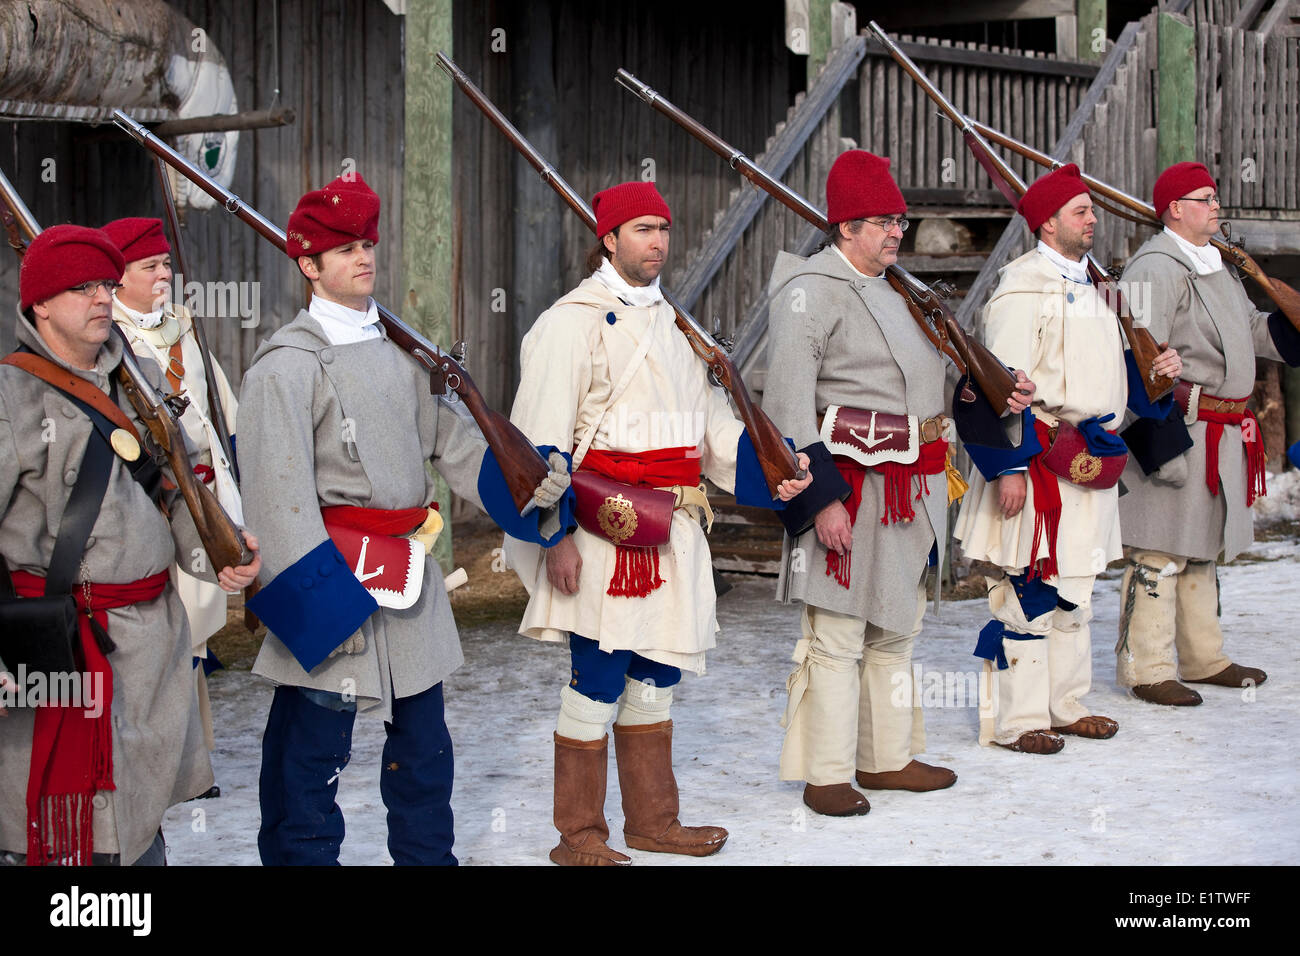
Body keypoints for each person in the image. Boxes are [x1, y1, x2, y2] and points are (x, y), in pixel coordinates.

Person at [240, 174, 571, 866]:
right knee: (308, 766)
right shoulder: (285, 366)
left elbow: (454, 445)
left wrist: (532, 484)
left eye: (367, 243)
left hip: (408, 583)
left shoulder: (401, 354)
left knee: (424, 759)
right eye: (344, 248)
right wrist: (320, 614)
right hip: (331, 582)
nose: (364, 257)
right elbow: (279, 498)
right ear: (308, 264)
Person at [505, 181, 812, 864]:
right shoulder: (570, 323)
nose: (658, 243)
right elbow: (535, 450)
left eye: (665, 230)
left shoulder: (680, 329)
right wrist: (552, 537)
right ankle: (578, 836)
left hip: (672, 521)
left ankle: (652, 822)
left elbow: (713, 430)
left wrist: (773, 468)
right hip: (597, 528)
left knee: (657, 672)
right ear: (608, 239)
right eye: (642, 229)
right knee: (599, 675)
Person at [763, 150, 1032, 815]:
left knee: (896, 631)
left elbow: (934, 391)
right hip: (848, 489)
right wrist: (821, 500)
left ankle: (885, 760)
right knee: (835, 636)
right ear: (846, 225)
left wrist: (991, 392)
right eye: (883, 221)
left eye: (900, 222)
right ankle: (827, 774)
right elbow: (787, 411)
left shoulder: (902, 294)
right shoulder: (809, 290)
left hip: (912, 491)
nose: (896, 233)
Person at [0, 224, 259, 865]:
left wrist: (217, 555)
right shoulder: (10, 394)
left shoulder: (138, 379)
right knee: (54, 829)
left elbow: (178, 490)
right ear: (39, 304)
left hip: (148, 647)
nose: (99, 298)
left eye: (105, 285)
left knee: (139, 825)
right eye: (80, 287)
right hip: (50, 647)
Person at [954, 164, 1182, 753]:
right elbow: (993, 388)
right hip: (1037, 457)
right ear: (1048, 223)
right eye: (1080, 211)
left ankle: (1064, 704)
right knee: (1027, 589)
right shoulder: (1020, 289)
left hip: (1091, 456)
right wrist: (1005, 467)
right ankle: (1016, 721)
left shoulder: (1103, 290)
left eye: (1090, 209)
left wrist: (1153, 376)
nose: (1092, 219)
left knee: (1076, 586)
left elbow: (1114, 378)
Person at [1115, 162, 1300, 706]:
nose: (1216, 206)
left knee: (1200, 548)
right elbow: (1134, 354)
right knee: (1158, 549)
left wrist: (1287, 321)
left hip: (1221, 430)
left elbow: (1249, 330)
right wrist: (1157, 434)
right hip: (1179, 426)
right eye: (1204, 198)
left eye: (1215, 197)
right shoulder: (1154, 267)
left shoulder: (1214, 264)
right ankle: (1146, 667)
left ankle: (1202, 657)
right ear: (1175, 208)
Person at [103, 216, 240, 768]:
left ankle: (192, 748)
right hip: (159, 501)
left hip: (211, 488)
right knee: (172, 622)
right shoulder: (111, 340)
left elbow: (219, 413)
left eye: (166, 264)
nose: (163, 274)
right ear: (119, 278)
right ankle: (166, 751)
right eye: (149, 266)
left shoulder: (183, 327)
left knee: (198, 621)